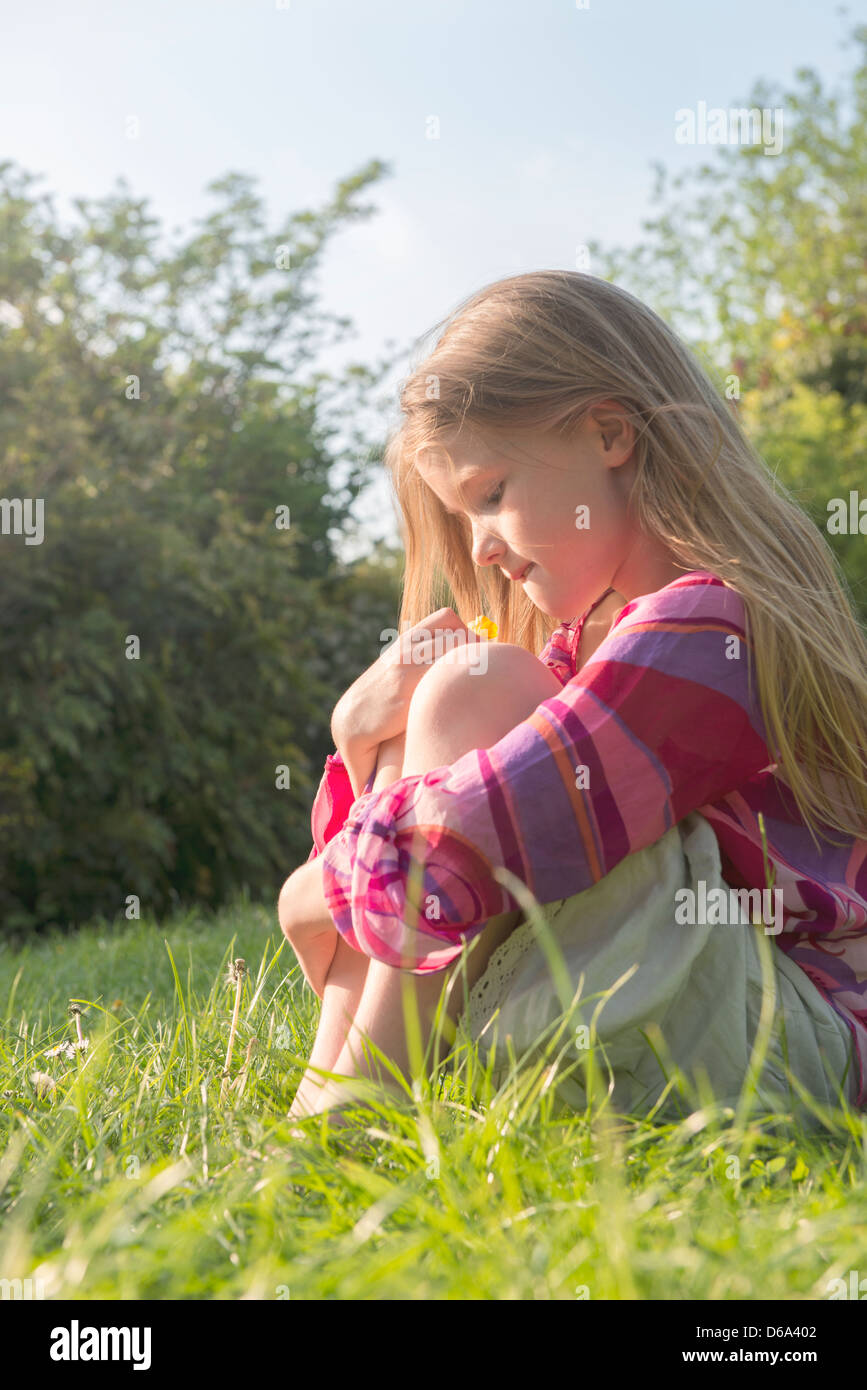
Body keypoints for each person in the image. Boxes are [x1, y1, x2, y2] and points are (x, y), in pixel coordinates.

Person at [278, 270, 867, 1128]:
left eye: (490, 494)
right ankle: (339, 1094)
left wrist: (309, 892)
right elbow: (421, 856)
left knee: (476, 690)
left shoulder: (710, 626)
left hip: (794, 1039)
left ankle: (347, 1114)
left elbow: (479, 834)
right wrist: (354, 731)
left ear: (607, 434)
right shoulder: (578, 660)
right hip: (698, 1015)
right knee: (454, 706)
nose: (480, 549)